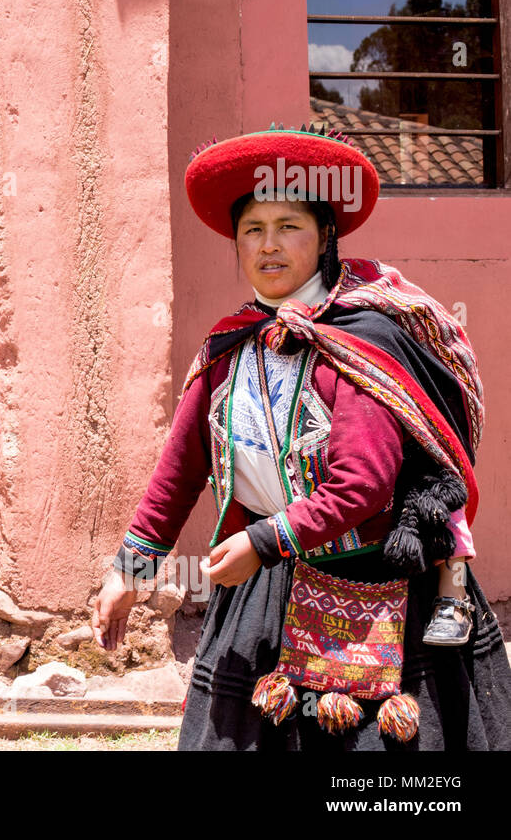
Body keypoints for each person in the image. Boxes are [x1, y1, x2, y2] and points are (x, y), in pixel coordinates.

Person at [90, 124, 511, 750]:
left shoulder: (361, 342)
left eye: (289, 227)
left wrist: (264, 540)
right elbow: (180, 468)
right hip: (266, 590)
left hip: (379, 585)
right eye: (252, 230)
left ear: (325, 239)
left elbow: (362, 484)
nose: (268, 245)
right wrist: (131, 566)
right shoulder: (229, 346)